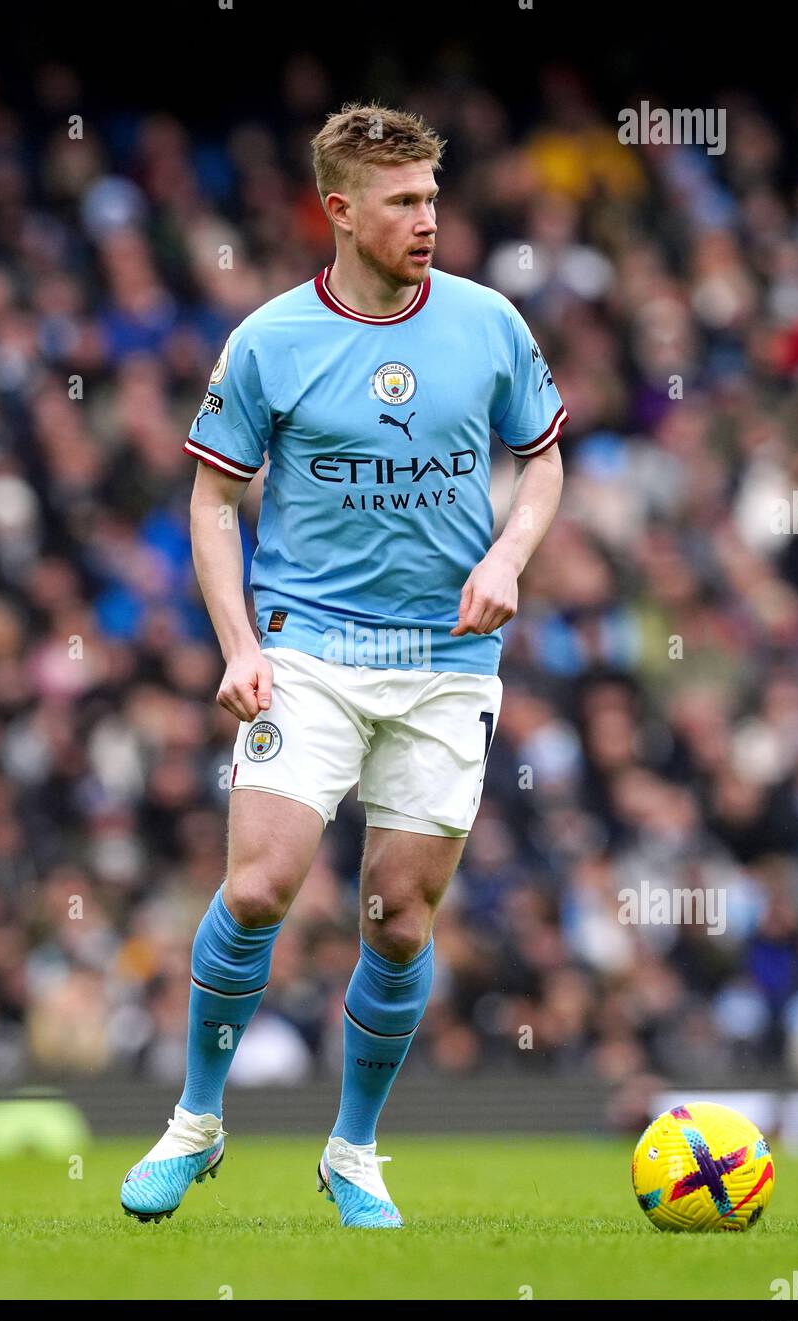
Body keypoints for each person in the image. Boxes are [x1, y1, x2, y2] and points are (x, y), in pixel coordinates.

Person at [120, 100, 567, 1228]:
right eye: (403, 201)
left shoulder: (486, 323)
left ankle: (353, 1152)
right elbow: (214, 500)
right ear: (338, 209)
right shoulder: (270, 338)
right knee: (261, 885)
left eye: (431, 196)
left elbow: (545, 461)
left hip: (447, 658)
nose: (427, 219)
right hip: (310, 649)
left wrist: (510, 553)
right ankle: (197, 1121)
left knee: (398, 920)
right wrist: (238, 647)